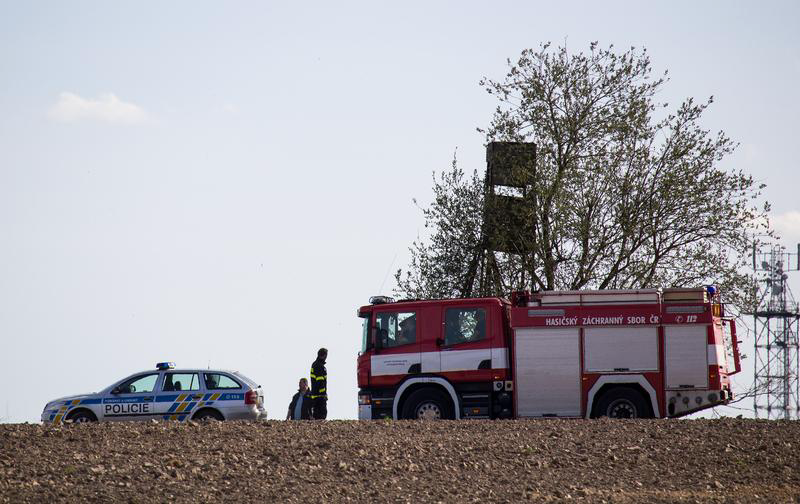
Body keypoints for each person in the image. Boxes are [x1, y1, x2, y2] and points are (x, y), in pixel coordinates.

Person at [310, 347, 328, 419]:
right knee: (321, 416)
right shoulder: (320, 366)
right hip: (319, 397)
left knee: (316, 416)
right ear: (324, 355)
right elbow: (320, 381)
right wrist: (323, 394)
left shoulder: (314, 365)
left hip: (315, 395)